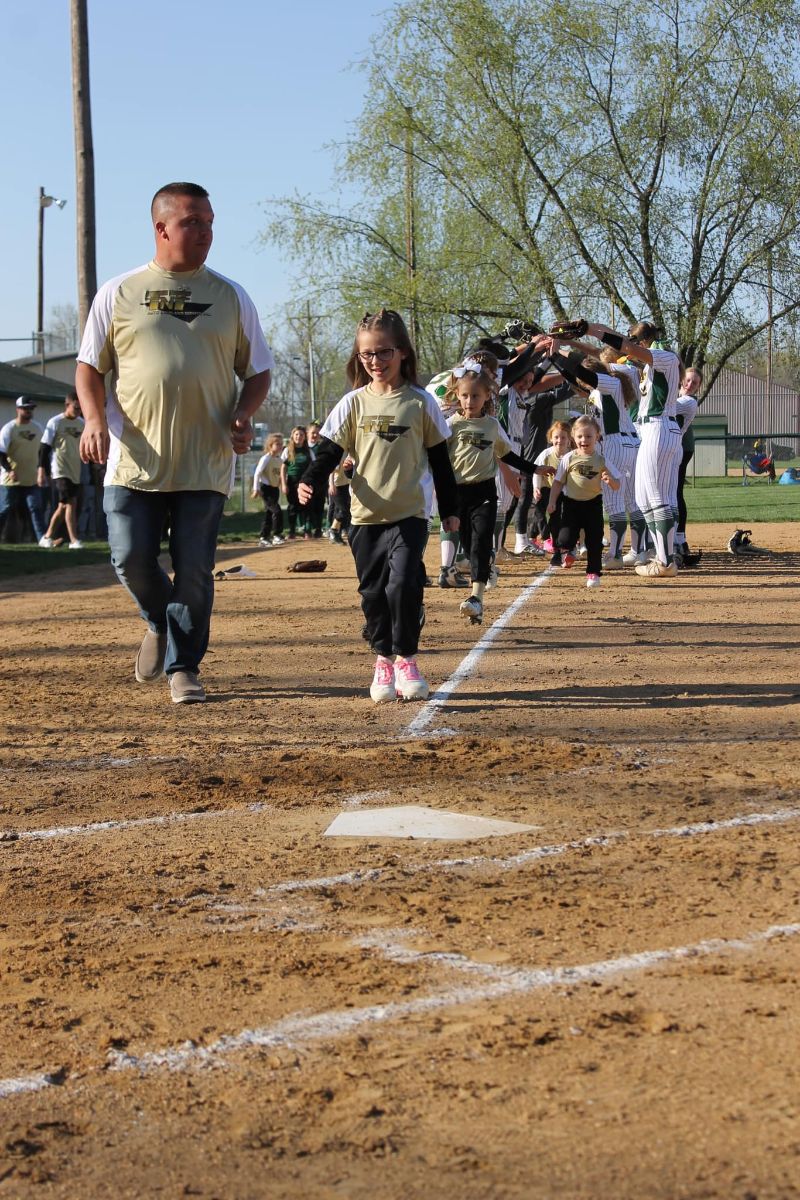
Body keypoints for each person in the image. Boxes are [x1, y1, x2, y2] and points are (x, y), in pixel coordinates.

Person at [77, 181, 273, 704]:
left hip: (205, 462)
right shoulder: (118, 292)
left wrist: (243, 413)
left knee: (194, 573)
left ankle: (184, 666)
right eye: (192, 222)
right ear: (161, 228)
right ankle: (157, 621)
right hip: (133, 460)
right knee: (130, 559)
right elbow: (89, 367)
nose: (205, 231)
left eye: (209, 222)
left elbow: (258, 370)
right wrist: (93, 420)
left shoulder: (231, 296)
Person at [298, 308, 459, 703]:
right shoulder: (353, 403)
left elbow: (441, 461)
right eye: (367, 354)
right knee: (373, 593)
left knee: (402, 584)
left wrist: (451, 508)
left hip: (410, 513)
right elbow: (329, 451)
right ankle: (383, 659)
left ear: (402, 351)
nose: (375, 361)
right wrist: (309, 480)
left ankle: (406, 659)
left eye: (384, 352)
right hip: (365, 516)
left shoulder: (420, 402)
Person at [444, 361, 539, 627]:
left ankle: (476, 598)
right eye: (465, 395)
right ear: (457, 395)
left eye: (475, 395)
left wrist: (534, 468)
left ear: (487, 396)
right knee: (468, 545)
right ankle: (484, 572)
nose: (470, 401)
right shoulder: (450, 426)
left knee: (480, 542)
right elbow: (436, 457)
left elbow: (507, 455)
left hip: (484, 491)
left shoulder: (492, 425)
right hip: (458, 494)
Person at [586, 320, 683, 578]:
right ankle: (663, 556)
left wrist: (590, 331)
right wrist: (589, 329)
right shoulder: (650, 366)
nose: (634, 345)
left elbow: (624, 346)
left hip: (658, 427)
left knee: (655, 496)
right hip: (656, 429)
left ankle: (665, 561)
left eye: (638, 340)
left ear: (646, 341)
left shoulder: (664, 356)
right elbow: (620, 346)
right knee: (644, 498)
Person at [546, 414, 621, 587]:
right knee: (565, 539)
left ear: (597, 437)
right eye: (580, 436)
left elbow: (617, 484)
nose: (584, 440)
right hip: (571, 505)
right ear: (573, 437)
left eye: (588, 436)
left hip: (593, 504)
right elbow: (557, 482)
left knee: (594, 541)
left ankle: (593, 573)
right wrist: (552, 501)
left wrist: (610, 481)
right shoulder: (569, 458)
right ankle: (568, 550)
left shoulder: (601, 459)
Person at [38, 391, 85, 549]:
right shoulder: (55, 422)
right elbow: (44, 448)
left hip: (75, 470)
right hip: (60, 469)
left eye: (80, 408)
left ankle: (47, 537)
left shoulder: (82, 423)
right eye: (75, 407)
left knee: (63, 505)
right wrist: (41, 470)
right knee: (71, 503)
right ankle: (74, 540)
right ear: (67, 405)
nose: (78, 411)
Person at [0, 397, 47, 545]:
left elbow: (42, 452)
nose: (29, 411)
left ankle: (42, 539)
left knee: (35, 508)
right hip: (11, 479)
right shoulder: (9, 428)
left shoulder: (37, 428)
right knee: (5, 508)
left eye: (31, 408)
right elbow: (1, 452)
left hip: (31, 478)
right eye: (26, 408)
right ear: (18, 409)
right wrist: (9, 470)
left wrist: (43, 470)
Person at [673, 366, 703, 567]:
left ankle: (680, 539)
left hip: (683, 447)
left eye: (695, 382)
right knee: (673, 492)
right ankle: (677, 538)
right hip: (675, 447)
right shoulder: (676, 395)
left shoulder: (688, 401)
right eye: (688, 379)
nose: (690, 384)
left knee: (675, 492)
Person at [532, 420, 573, 564]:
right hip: (550, 490)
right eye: (556, 437)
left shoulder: (572, 455)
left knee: (569, 519)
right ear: (551, 438)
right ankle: (556, 549)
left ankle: (571, 547)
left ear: (569, 439)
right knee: (554, 519)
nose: (559, 440)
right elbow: (537, 471)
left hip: (568, 492)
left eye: (563, 437)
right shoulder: (546, 454)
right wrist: (536, 488)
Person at [251, 432, 284, 546]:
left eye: (281, 444)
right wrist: (256, 488)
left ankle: (264, 537)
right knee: (277, 511)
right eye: (277, 444)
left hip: (274, 489)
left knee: (269, 513)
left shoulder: (279, 460)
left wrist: (282, 484)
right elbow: (257, 473)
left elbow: (280, 474)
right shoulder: (266, 458)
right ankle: (277, 535)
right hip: (266, 489)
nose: (280, 446)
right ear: (270, 445)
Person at [280, 426, 312, 539]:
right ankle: (292, 531)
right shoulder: (287, 450)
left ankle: (307, 530)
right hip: (292, 482)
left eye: (301, 435)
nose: (299, 437)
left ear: (305, 437)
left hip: (305, 482)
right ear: (292, 436)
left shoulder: (308, 451)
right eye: (297, 434)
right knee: (293, 507)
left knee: (306, 506)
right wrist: (284, 484)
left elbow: (313, 466)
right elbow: (283, 468)